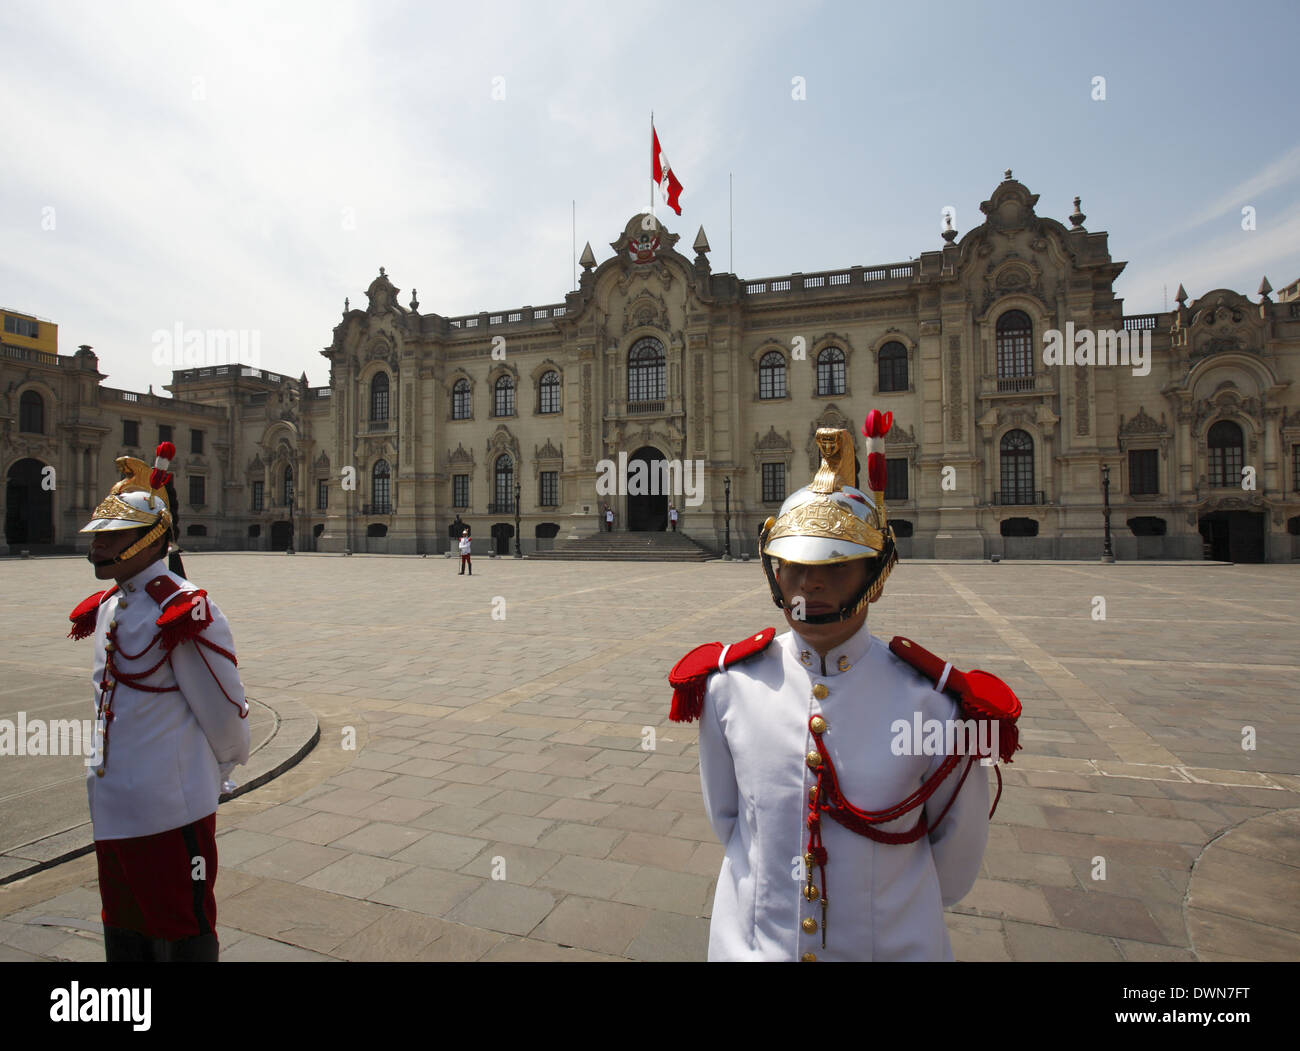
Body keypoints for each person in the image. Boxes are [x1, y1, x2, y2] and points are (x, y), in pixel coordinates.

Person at [668, 415, 1021, 962]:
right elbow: (732, 824)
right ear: (772, 573)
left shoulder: (935, 706)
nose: (811, 583)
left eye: (836, 566)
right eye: (794, 565)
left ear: (875, 576)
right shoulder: (729, 687)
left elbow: (953, 863)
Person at [68, 443, 249, 962]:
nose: (98, 547)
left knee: (179, 925)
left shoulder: (184, 611)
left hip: (171, 806)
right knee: (124, 927)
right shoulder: (109, 605)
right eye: (99, 536)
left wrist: (210, 774)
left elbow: (223, 714)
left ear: (152, 539)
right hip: (113, 802)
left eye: (114, 537)